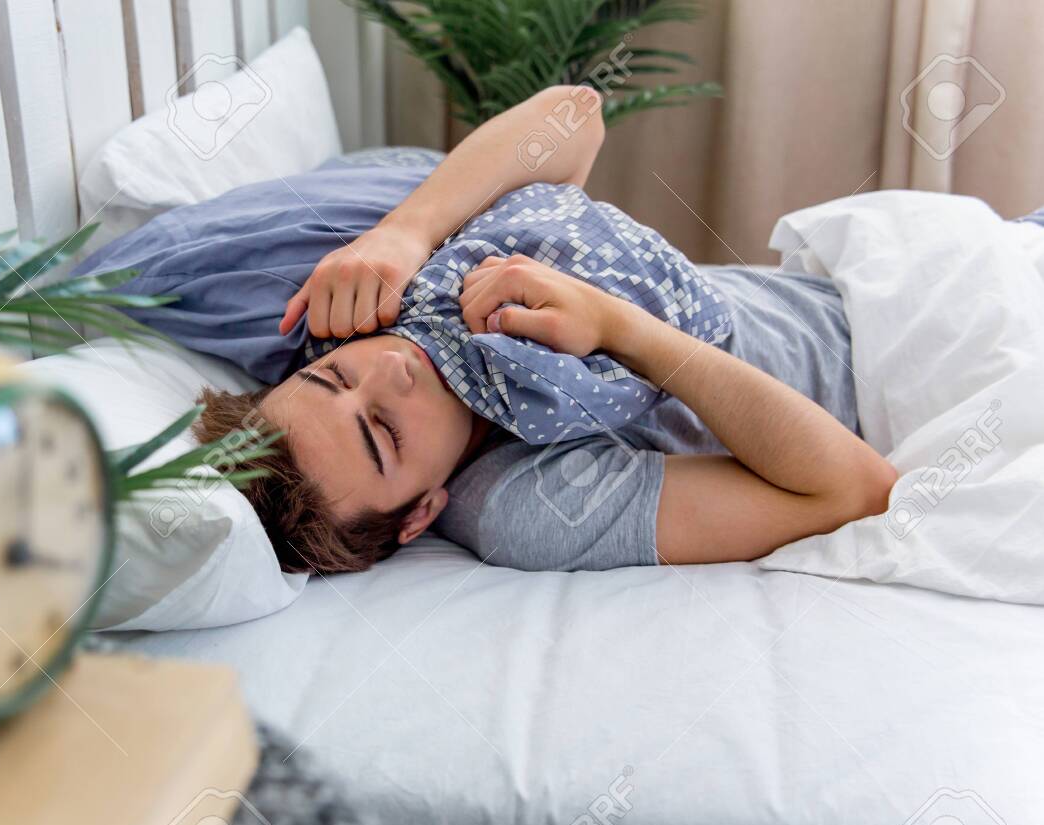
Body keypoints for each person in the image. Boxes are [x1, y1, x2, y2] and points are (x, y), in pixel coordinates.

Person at [193, 86, 897, 575]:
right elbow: (858, 490)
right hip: (886, 356)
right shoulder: (527, 506)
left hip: (856, 272)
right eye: (384, 431)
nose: (390, 369)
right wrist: (620, 328)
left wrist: (406, 231)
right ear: (419, 516)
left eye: (334, 375)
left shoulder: (385, 303)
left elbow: (575, 116)